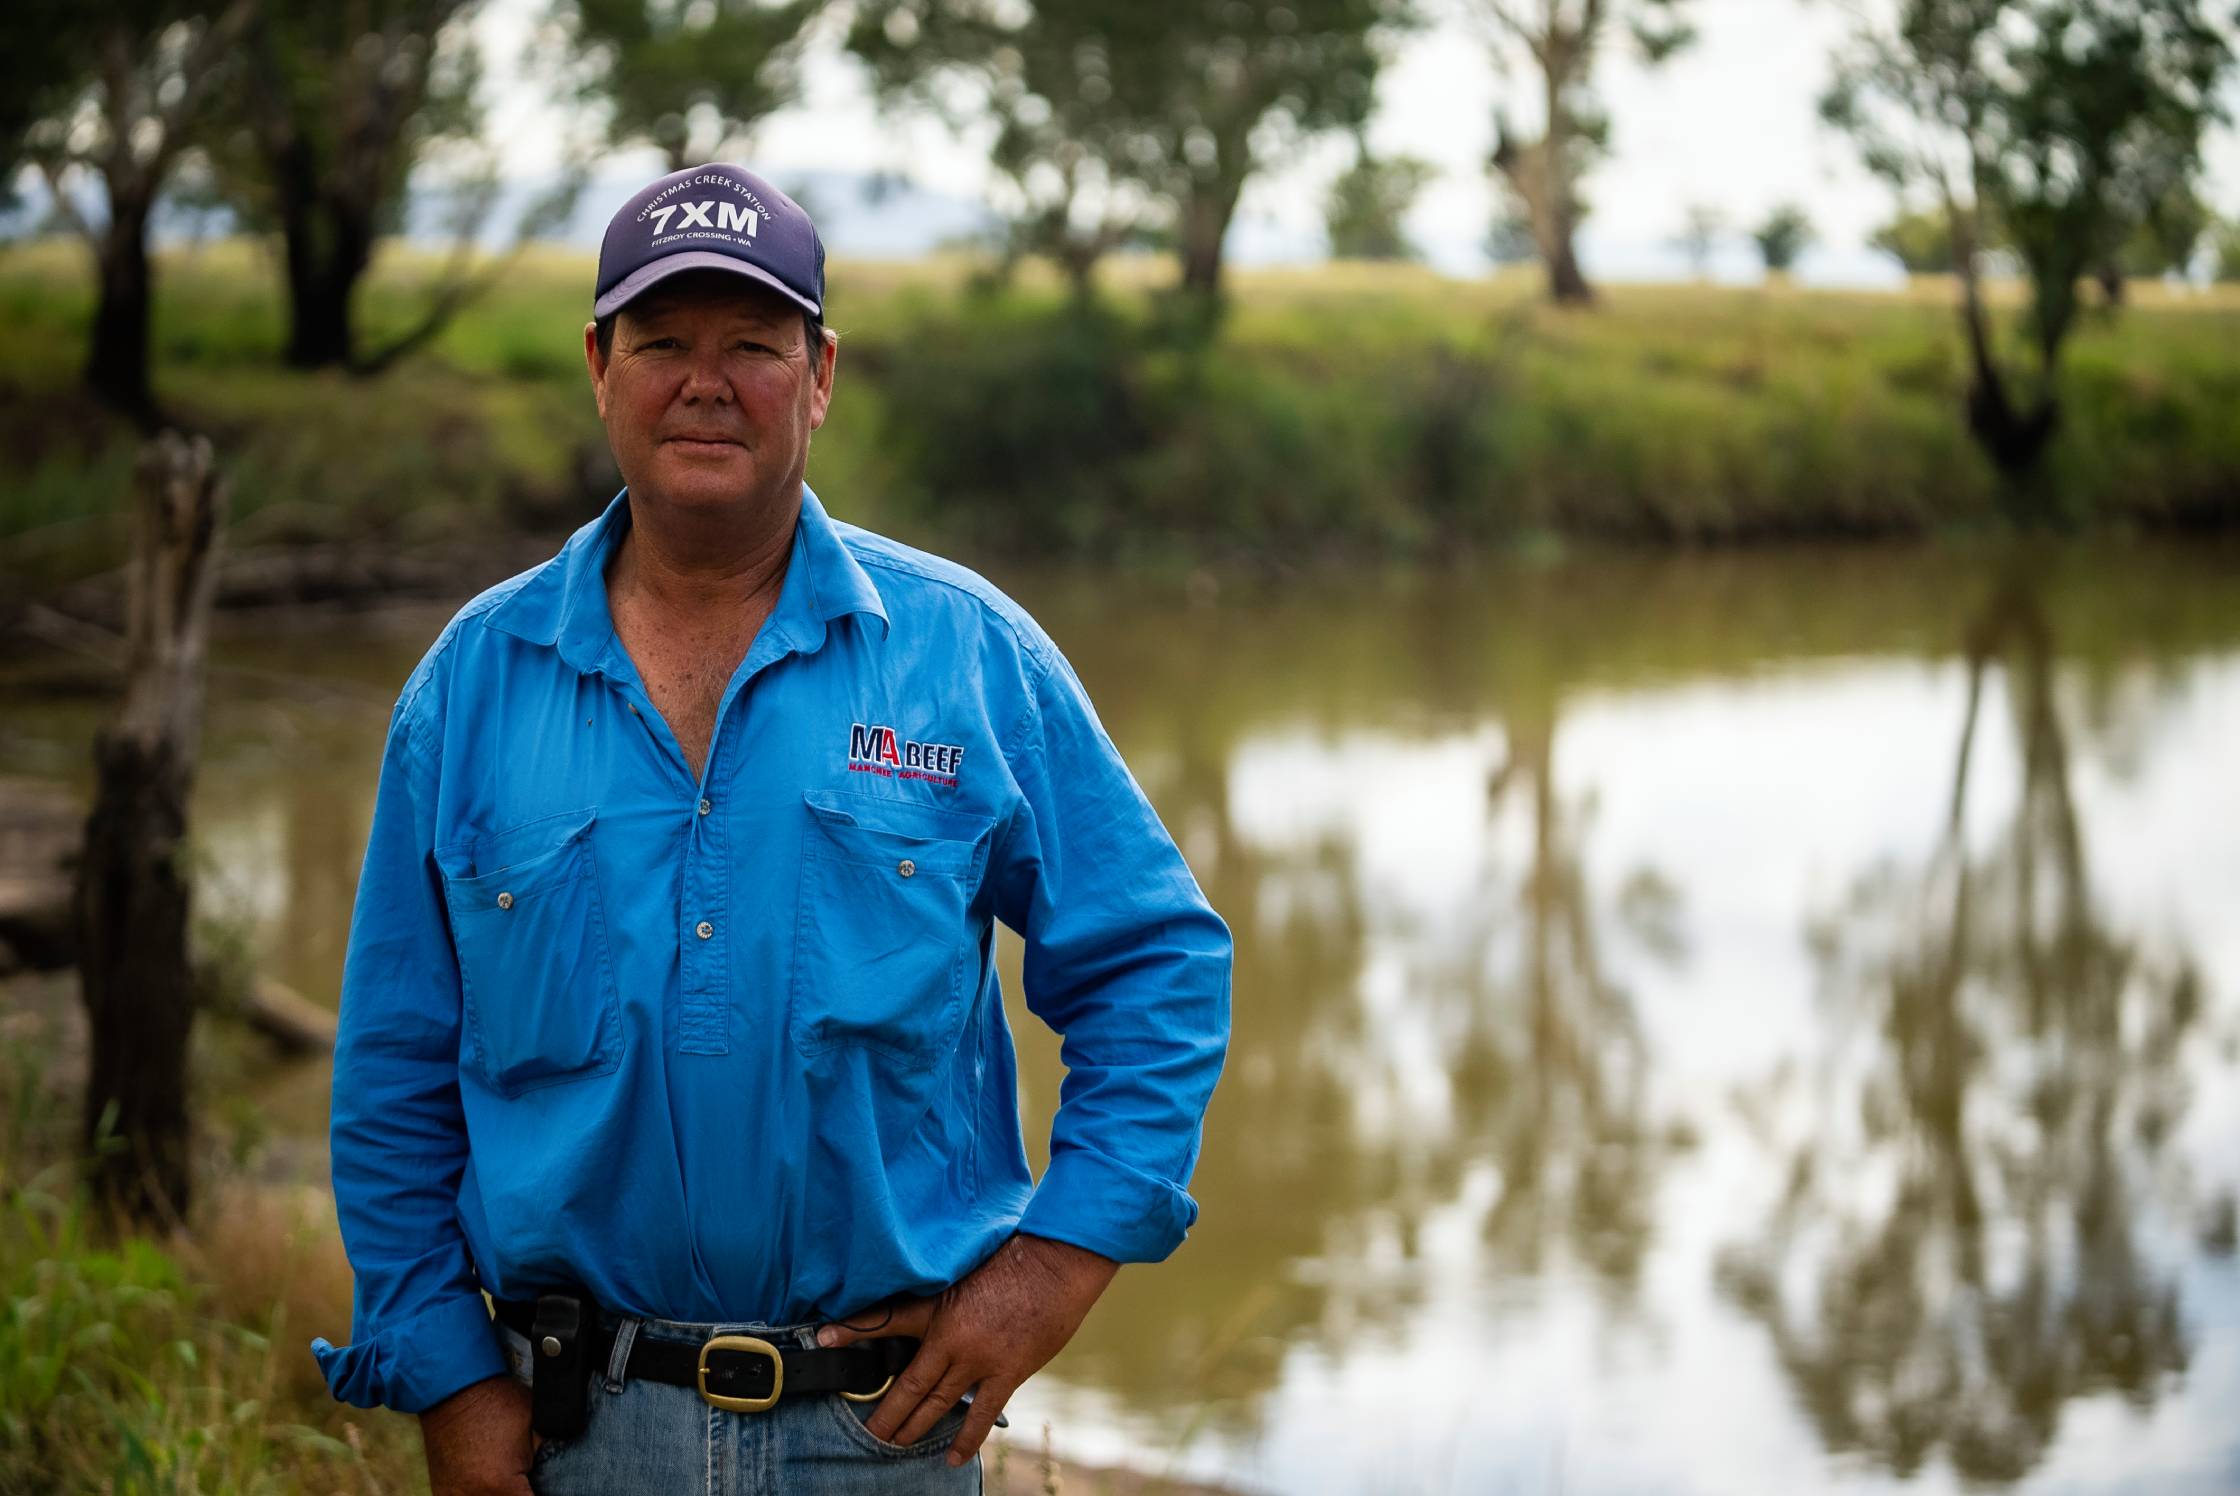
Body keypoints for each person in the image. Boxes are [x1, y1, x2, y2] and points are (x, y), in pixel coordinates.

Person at [307, 163, 1233, 1495]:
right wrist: (451, 1385)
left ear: (819, 375)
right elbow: (393, 1075)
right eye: (664, 343)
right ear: (598, 364)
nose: (706, 380)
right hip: (565, 1430)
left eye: (751, 345)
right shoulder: (472, 683)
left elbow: (1156, 962)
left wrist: (1057, 1264)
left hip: (880, 1435)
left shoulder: (964, 657)